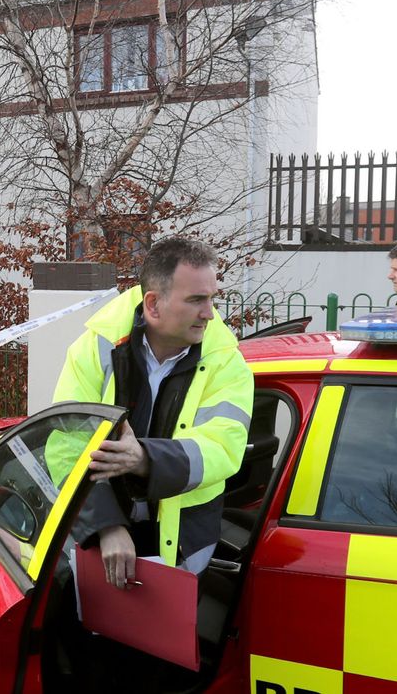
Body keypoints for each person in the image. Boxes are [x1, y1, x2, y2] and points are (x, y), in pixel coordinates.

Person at [51, 238, 254, 587]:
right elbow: (65, 447)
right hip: (102, 535)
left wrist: (144, 458)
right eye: (196, 300)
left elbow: (223, 448)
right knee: (93, 621)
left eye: (211, 298)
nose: (209, 313)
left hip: (184, 542)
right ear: (153, 304)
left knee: (169, 624)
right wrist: (106, 526)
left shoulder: (226, 362)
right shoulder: (96, 347)